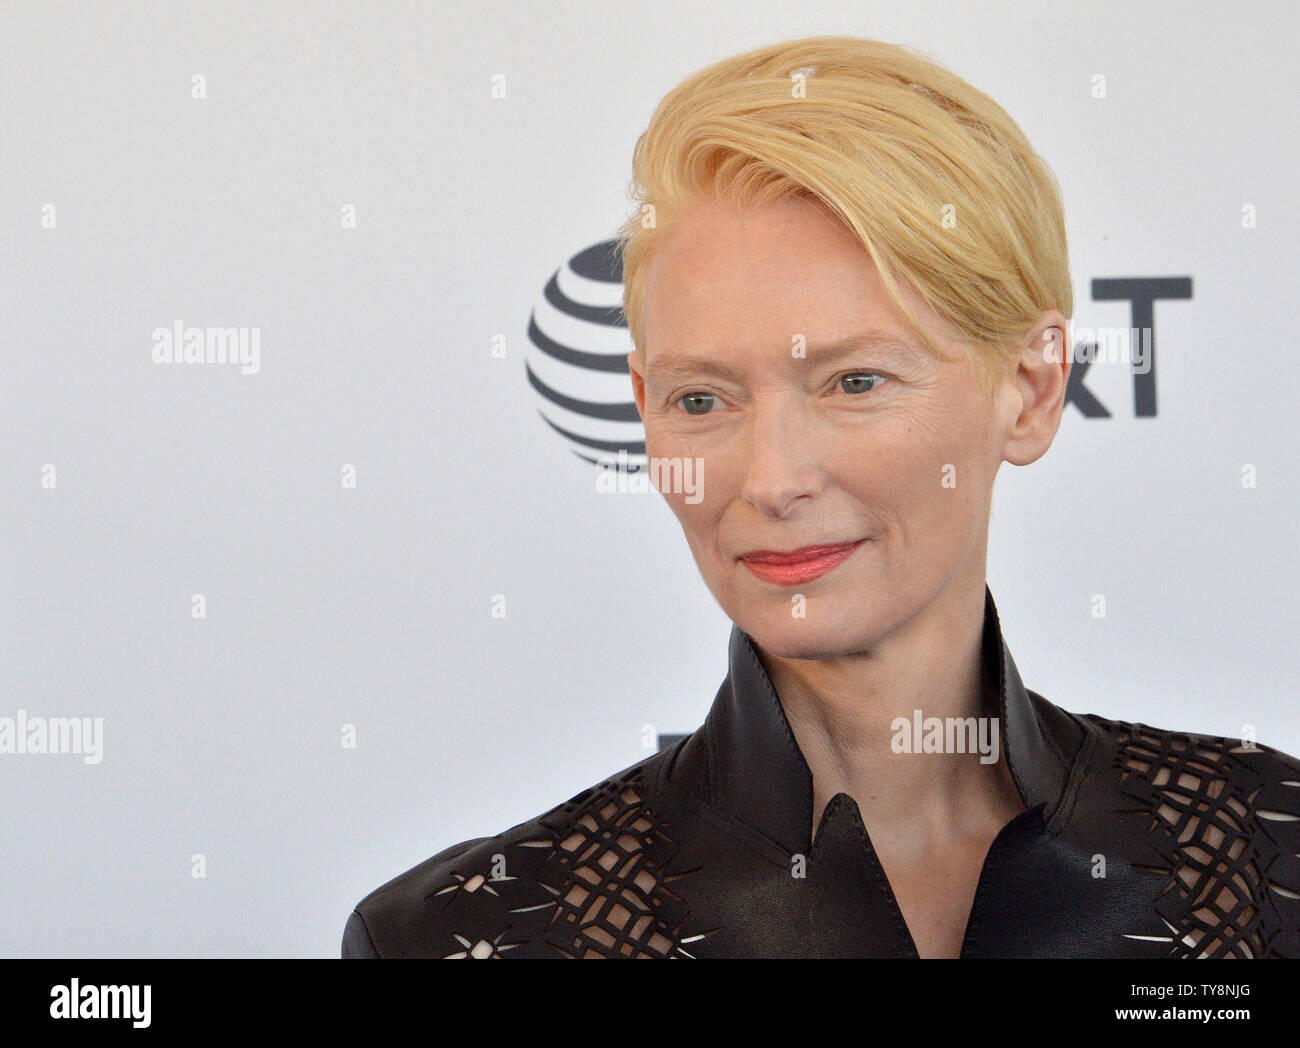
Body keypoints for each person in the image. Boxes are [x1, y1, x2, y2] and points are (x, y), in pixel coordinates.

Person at [342, 34, 1300, 958]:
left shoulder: (1269, 864)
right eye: (702, 399)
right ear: (643, 409)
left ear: (1034, 387)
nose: (770, 480)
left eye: (854, 384)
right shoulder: (463, 936)